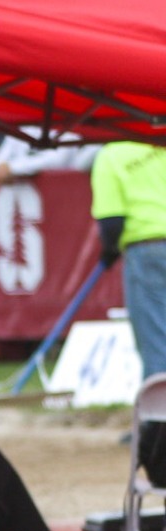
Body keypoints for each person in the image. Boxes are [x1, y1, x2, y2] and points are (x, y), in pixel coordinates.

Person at [91, 141, 166, 380]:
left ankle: (159, 411)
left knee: (155, 337)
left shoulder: (111, 155)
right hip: (149, 245)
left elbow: (112, 220)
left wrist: (109, 249)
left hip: (146, 246)